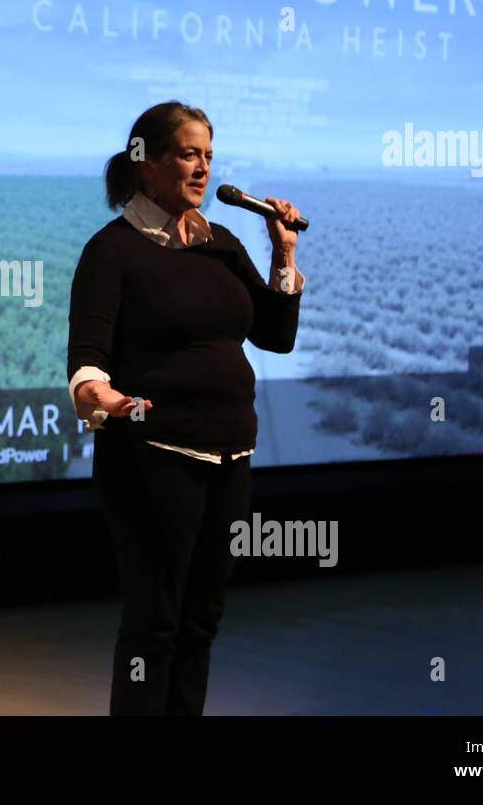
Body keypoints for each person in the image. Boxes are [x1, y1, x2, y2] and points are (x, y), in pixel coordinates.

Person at [67, 100, 305, 715]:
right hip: (152, 456)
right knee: (156, 624)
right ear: (147, 163)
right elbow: (88, 355)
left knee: (200, 622)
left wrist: (283, 254)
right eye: (188, 154)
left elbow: (274, 336)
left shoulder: (220, 242)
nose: (202, 168)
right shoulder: (113, 250)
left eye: (207, 156)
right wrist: (97, 394)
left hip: (231, 452)